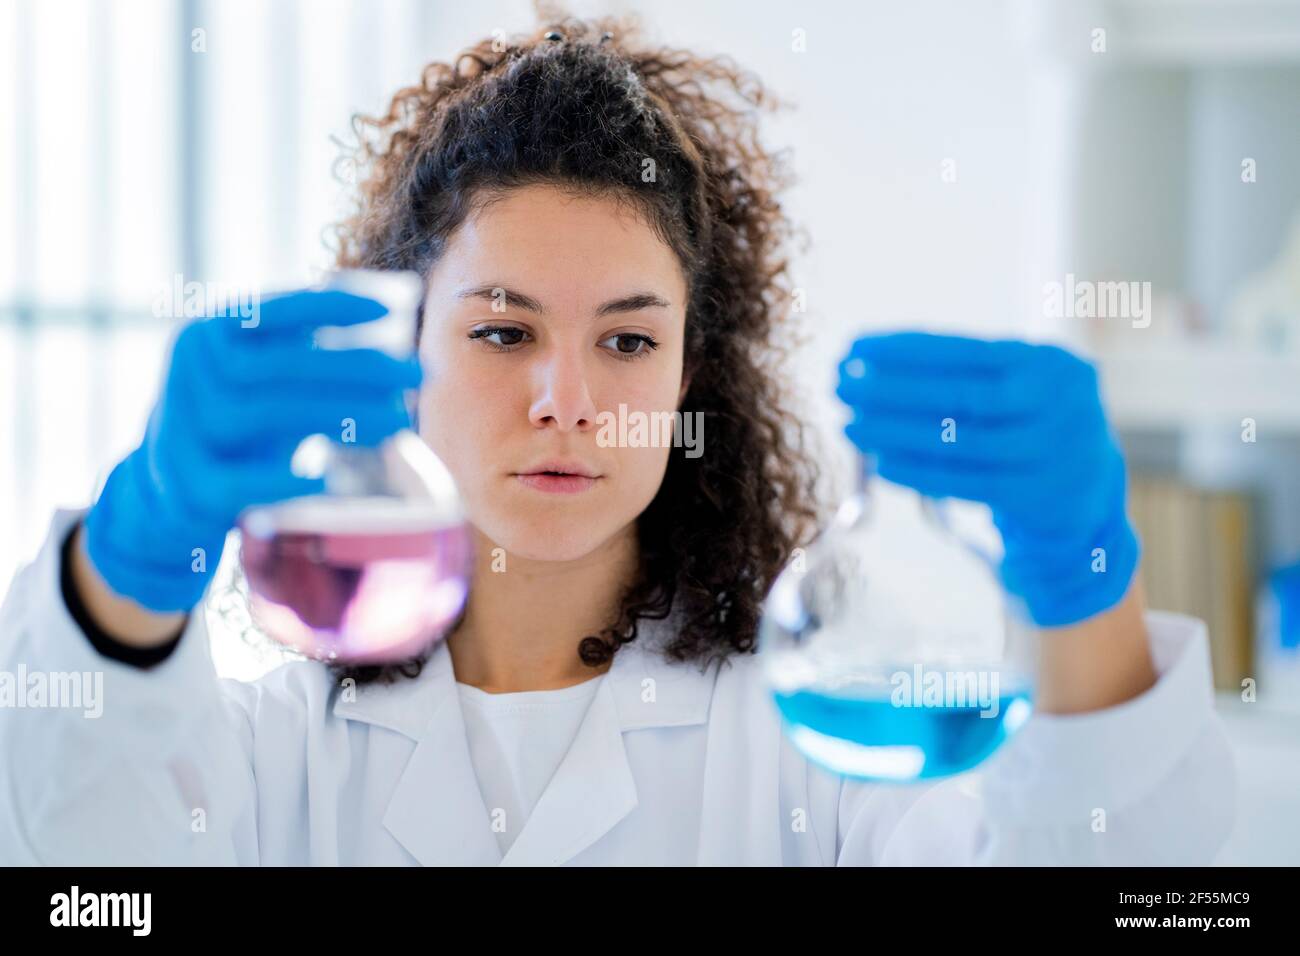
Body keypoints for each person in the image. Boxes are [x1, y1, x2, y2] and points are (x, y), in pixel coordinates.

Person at [0, 16, 1234, 866]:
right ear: (402, 355)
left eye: (628, 341)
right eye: (500, 332)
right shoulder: (277, 751)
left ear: (692, 371)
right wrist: (137, 541)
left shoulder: (823, 741)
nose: (566, 400)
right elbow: (69, 859)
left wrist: (1083, 586)